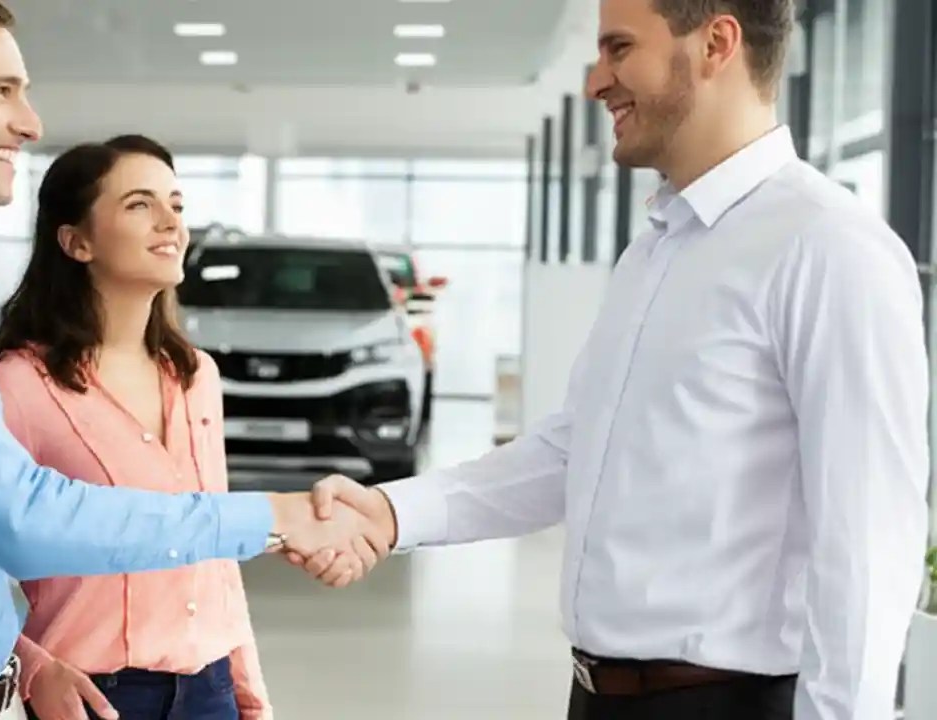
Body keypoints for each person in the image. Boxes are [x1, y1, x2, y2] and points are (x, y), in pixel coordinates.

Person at [0, 2, 385, 718]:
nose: (31, 122)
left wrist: (24, 662)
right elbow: (12, 511)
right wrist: (275, 515)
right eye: (1, 91)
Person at [303, 1, 931, 719]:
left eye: (619, 48)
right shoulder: (659, 246)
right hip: (600, 697)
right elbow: (577, 450)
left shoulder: (828, 248)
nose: (596, 81)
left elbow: (869, 546)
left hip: (728, 705)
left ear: (715, 43)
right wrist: (393, 510)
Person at [0, 136, 279, 720]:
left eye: (176, 203)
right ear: (75, 242)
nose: (170, 220)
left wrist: (248, 690)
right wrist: (30, 668)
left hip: (210, 689)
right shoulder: (18, 385)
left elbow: (215, 550)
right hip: (93, 696)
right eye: (140, 204)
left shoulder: (196, 377)